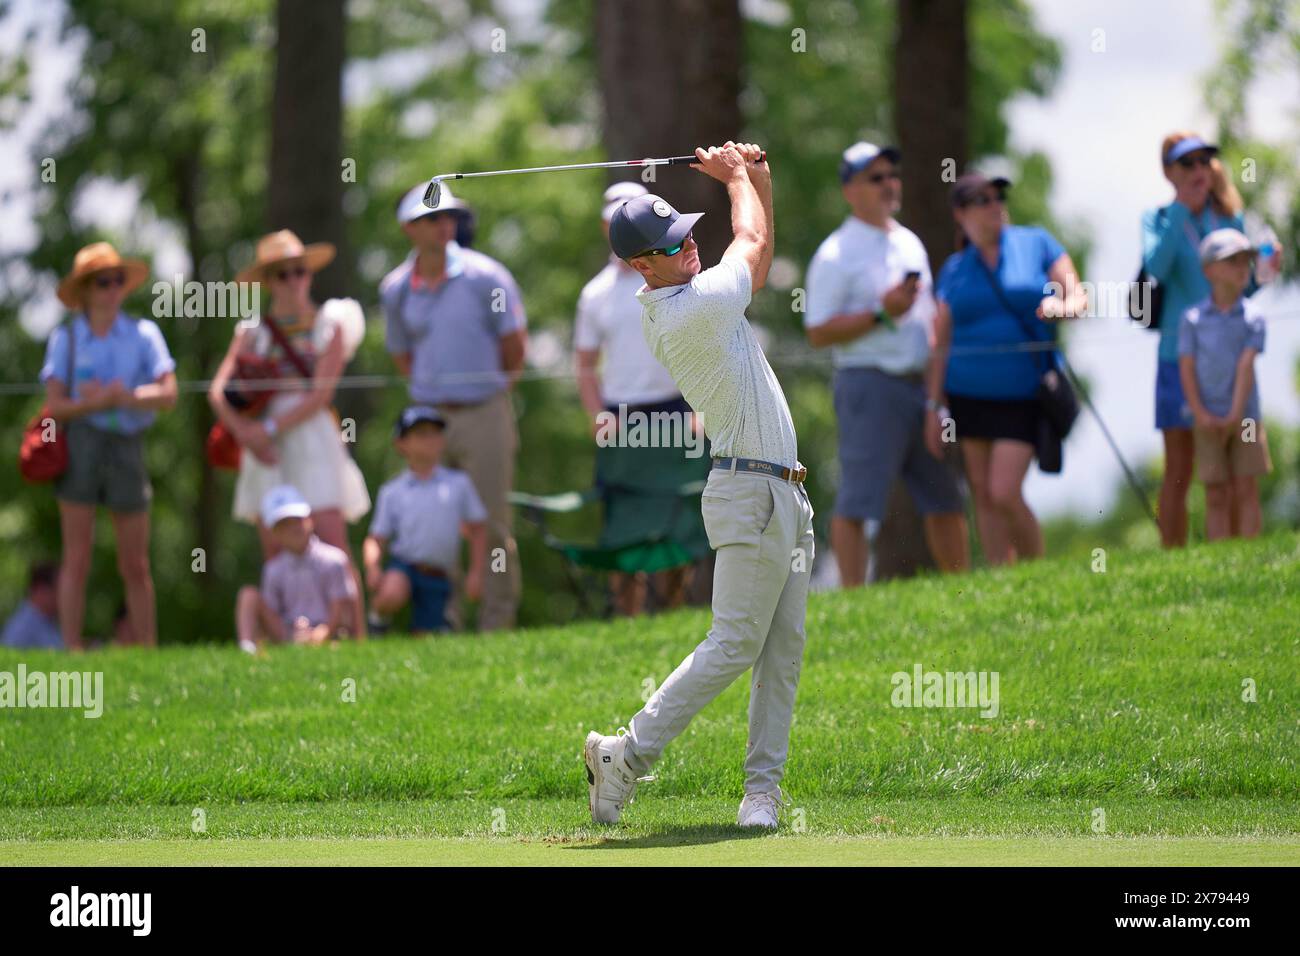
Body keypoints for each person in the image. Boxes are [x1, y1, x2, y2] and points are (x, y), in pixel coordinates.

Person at [583, 142, 814, 831]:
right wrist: (740, 177)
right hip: (749, 491)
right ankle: (628, 753)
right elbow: (748, 238)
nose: (689, 244)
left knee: (781, 648)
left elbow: (759, 253)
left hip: (782, 492)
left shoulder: (699, 294)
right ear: (639, 265)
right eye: (672, 242)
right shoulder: (691, 308)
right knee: (736, 641)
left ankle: (760, 795)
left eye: (687, 231)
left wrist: (760, 178)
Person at [804, 142, 968, 584]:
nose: (889, 184)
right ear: (849, 190)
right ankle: (855, 601)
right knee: (858, 504)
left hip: (921, 388)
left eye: (892, 175)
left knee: (946, 498)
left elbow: (933, 323)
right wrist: (881, 313)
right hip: (868, 385)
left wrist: (937, 403)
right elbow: (817, 331)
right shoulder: (835, 254)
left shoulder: (909, 242)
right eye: (875, 177)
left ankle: (965, 591)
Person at [381, 183, 528, 632]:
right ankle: (441, 622)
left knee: (493, 524)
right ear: (409, 228)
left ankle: (496, 624)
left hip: (485, 411)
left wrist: (489, 390)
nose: (445, 224)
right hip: (427, 418)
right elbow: (401, 354)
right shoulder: (395, 289)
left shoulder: (488, 277)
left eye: (448, 217)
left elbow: (514, 346)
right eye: (432, 218)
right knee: (432, 524)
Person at [209, 229, 370, 638]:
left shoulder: (331, 323)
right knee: (275, 545)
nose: (294, 280)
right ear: (268, 281)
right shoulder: (252, 332)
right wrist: (246, 434)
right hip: (265, 447)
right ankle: (288, 639)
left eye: (300, 271)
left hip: (311, 439)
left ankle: (354, 639)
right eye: (283, 274)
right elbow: (217, 391)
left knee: (333, 540)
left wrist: (267, 428)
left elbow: (321, 394)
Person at [930, 173, 1087, 566]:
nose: (994, 205)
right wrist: (933, 407)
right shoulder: (954, 269)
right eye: (982, 200)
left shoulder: (1036, 243)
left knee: (1004, 491)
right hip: (967, 393)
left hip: (1024, 393)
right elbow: (940, 341)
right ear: (960, 214)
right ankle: (1003, 577)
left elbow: (1077, 296)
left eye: (997, 197)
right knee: (982, 492)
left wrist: (1061, 308)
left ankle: (1038, 573)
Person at [575, 180, 711, 615]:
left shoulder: (682, 280)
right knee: (623, 517)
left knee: (678, 514)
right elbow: (584, 364)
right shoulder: (594, 294)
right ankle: (627, 617)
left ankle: (670, 612)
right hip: (621, 414)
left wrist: (701, 409)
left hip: (677, 406)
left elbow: (706, 346)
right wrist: (596, 415)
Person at [1142, 132, 1279, 548]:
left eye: (1205, 162)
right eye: (1188, 164)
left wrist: (1266, 270)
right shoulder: (1159, 218)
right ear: (1169, 172)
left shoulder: (1230, 217)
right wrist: (1182, 210)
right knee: (1181, 466)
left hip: (1227, 357)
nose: (1199, 171)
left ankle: (1234, 554)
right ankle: (1173, 557)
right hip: (1177, 355)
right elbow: (1155, 273)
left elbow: (1244, 287)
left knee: (1238, 471)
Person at [40, 242, 178, 650]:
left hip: (128, 444)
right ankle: (71, 650)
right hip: (81, 444)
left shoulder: (144, 333)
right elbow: (54, 407)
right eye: (103, 282)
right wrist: (95, 403)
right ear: (84, 290)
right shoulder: (65, 338)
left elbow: (169, 394)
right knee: (76, 558)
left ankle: (147, 647)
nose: (113, 288)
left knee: (135, 562)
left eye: (118, 280)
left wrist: (128, 397)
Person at [1178, 229, 1271, 541]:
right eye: (1232, 260)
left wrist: (1234, 414)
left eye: (1246, 259)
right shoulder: (1191, 320)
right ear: (1209, 270)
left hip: (1244, 416)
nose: (1242, 266)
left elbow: (1246, 366)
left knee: (1246, 484)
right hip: (1205, 417)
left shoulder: (1254, 317)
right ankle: (1220, 556)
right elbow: (1186, 368)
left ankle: (1249, 554)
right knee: (1215, 491)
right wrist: (1200, 413)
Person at [364, 406, 489, 635]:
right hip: (404, 564)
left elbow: (478, 529)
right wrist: (373, 568)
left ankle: (437, 625)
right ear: (401, 444)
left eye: (435, 433)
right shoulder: (392, 491)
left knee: (426, 636)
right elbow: (376, 537)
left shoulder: (459, 484)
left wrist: (476, 572)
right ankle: (376, 622)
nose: (430, 440)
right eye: (421, 434)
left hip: (438, 572)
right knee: (392, 592)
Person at [236, 485, 359, 653]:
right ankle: (248, 649)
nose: (293, 528)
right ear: (274, 532)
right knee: (248, 594)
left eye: (297, 520)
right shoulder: (273, 569)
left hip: (326, 630)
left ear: (310, 520)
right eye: (284, 524)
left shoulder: (334, 560)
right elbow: (272, 610)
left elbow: (340, 606)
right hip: (288, 632)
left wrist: (323, 633)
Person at [1, 563, 63, 651]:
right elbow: (15, 663)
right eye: (60, 589)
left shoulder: (48, 621)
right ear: (41, 590)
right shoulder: (22, 627)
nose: (65, 596)